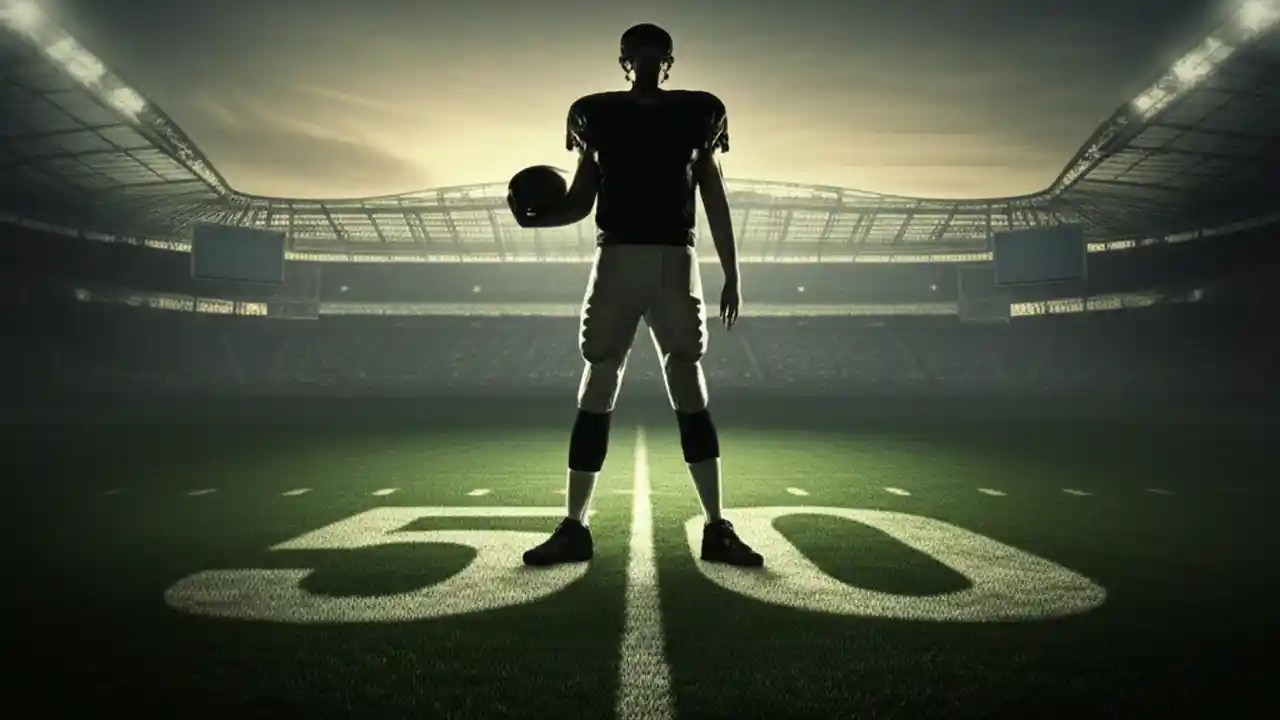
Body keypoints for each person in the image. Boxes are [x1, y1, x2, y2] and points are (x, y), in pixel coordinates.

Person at [512, 23, 762, 568]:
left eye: (656, 52)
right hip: (620, 254)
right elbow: (581, 201)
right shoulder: (598, 115)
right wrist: (540, 220)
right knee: (599, 375)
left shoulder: (695, 113)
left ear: (667, 61)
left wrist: (732, 272)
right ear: (625, 61)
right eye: (638, 52)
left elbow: (713, 197)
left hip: (675, 256)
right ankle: (574, 526)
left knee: (686, 378)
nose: (647, 60)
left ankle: (717, 526)